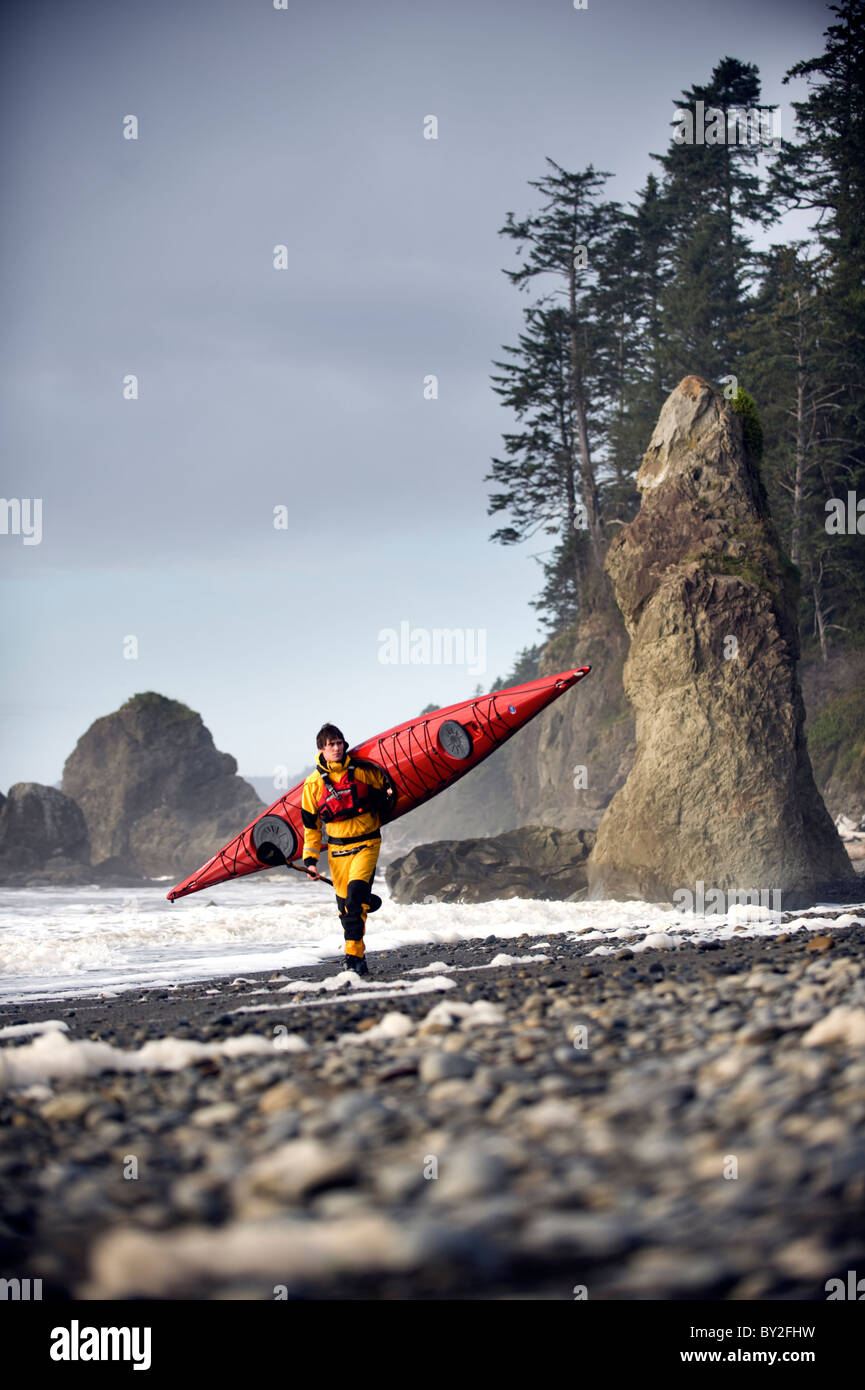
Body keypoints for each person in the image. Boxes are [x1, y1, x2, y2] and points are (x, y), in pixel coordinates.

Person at [301, 724, 391, 976]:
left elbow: (390, 789)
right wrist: (310, 861)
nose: (337, 748)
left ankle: (352, 957)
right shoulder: (312, 785)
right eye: (331, 744)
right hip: (337, 851)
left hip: (367, 843)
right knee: (346, 909)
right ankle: (358, 956)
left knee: (354, 899)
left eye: (340, 743)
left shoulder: (364, 772)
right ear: (321, 749)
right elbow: (311, 828)